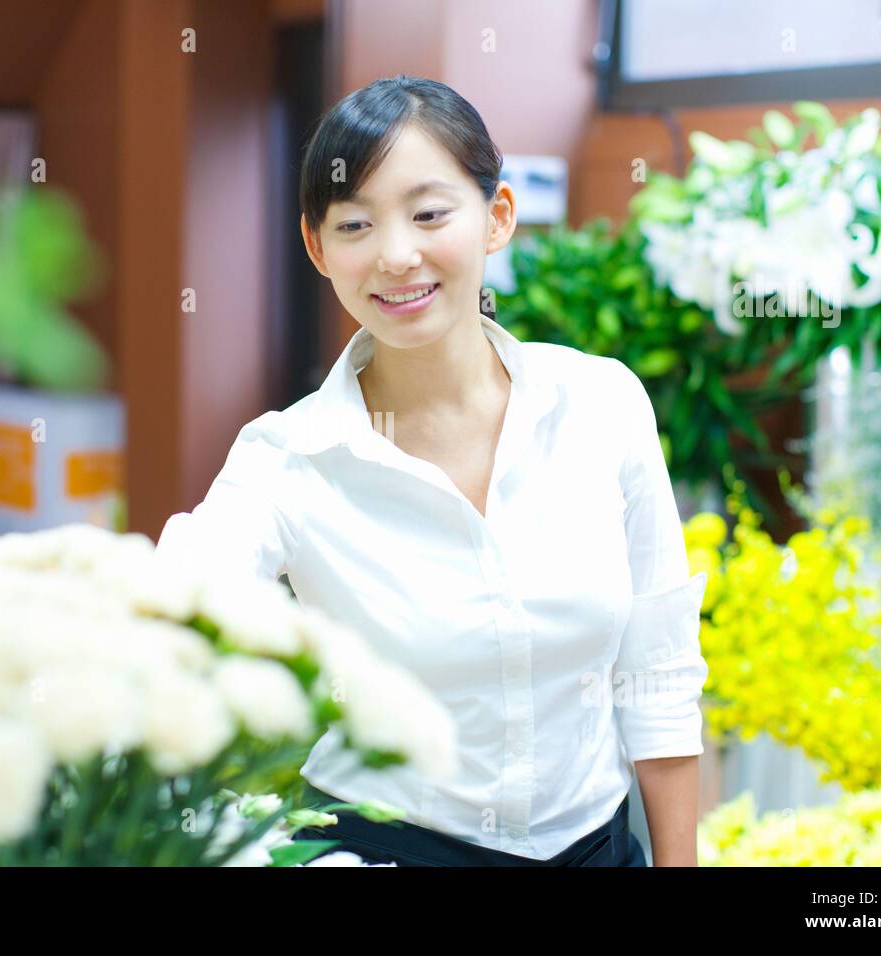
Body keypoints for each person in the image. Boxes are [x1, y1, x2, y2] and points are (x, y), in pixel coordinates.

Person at [156, 74, 708, 867]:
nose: (397, 255)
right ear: (317, 247)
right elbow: (175, 608)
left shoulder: (602, 405)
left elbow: (658, 674)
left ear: (498, 217)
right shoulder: (287, 460)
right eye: (355, 224)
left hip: (597, 849)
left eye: (429, 213)